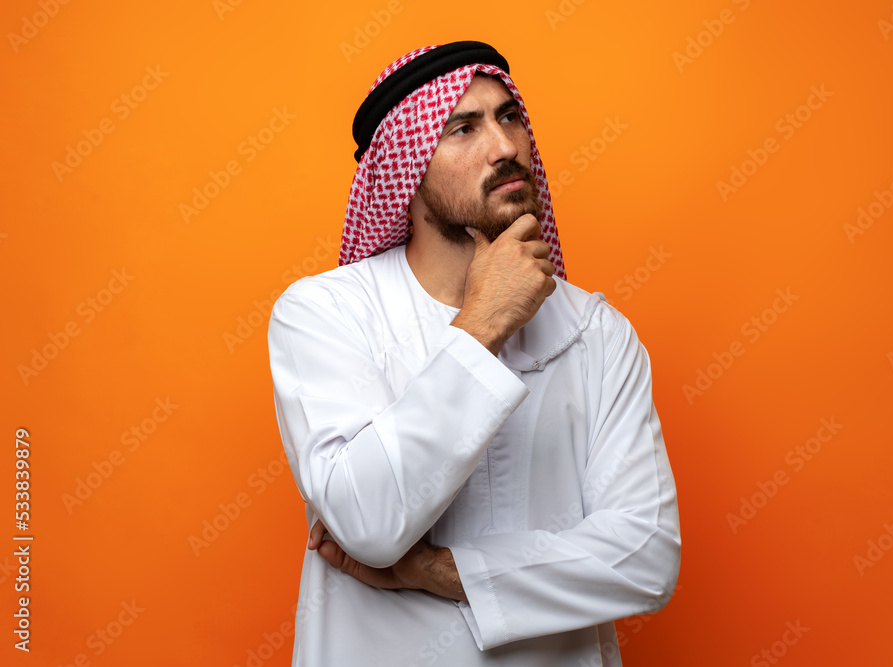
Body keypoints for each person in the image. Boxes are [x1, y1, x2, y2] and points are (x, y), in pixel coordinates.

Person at [267, 40, 681, 666]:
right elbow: (368, 523)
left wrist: (441, 571)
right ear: (402, 171)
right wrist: (484, 322)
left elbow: (645, 557)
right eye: (462, 127)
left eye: (508, 116)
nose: (506, 146)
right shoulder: (324, 313)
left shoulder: (596, 330)